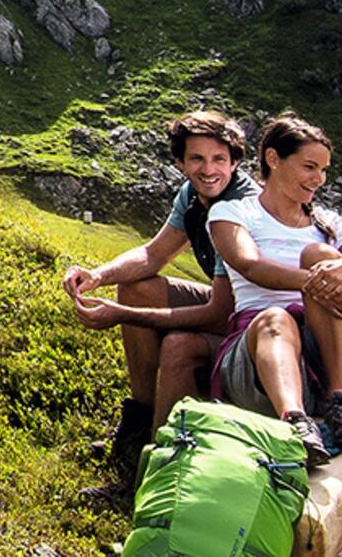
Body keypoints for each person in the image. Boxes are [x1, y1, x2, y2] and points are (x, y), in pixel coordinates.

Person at [63, 109, 255, 479]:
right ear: (181, 162)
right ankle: (140, 420)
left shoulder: (238, 209)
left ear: (235, 162)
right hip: (230, 308)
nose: (208, 169)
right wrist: (97, 276)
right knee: (136, 286)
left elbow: (219, 312)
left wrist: (121, 314)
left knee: (178, 345)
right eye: (197, 158)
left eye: (219, 159)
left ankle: (155, 464)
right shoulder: (193, 195)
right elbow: (155, 254)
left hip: (257, 327)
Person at [207, 114, 342, 466]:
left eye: (323, 170)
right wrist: (318, 281)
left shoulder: (333, 223)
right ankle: (295, 423)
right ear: (273, 159)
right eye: (309, 167)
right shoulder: (231, 213)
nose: (318, 179)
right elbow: (250, 265)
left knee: (321, 255)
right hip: (265, 360)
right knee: (277, 315)